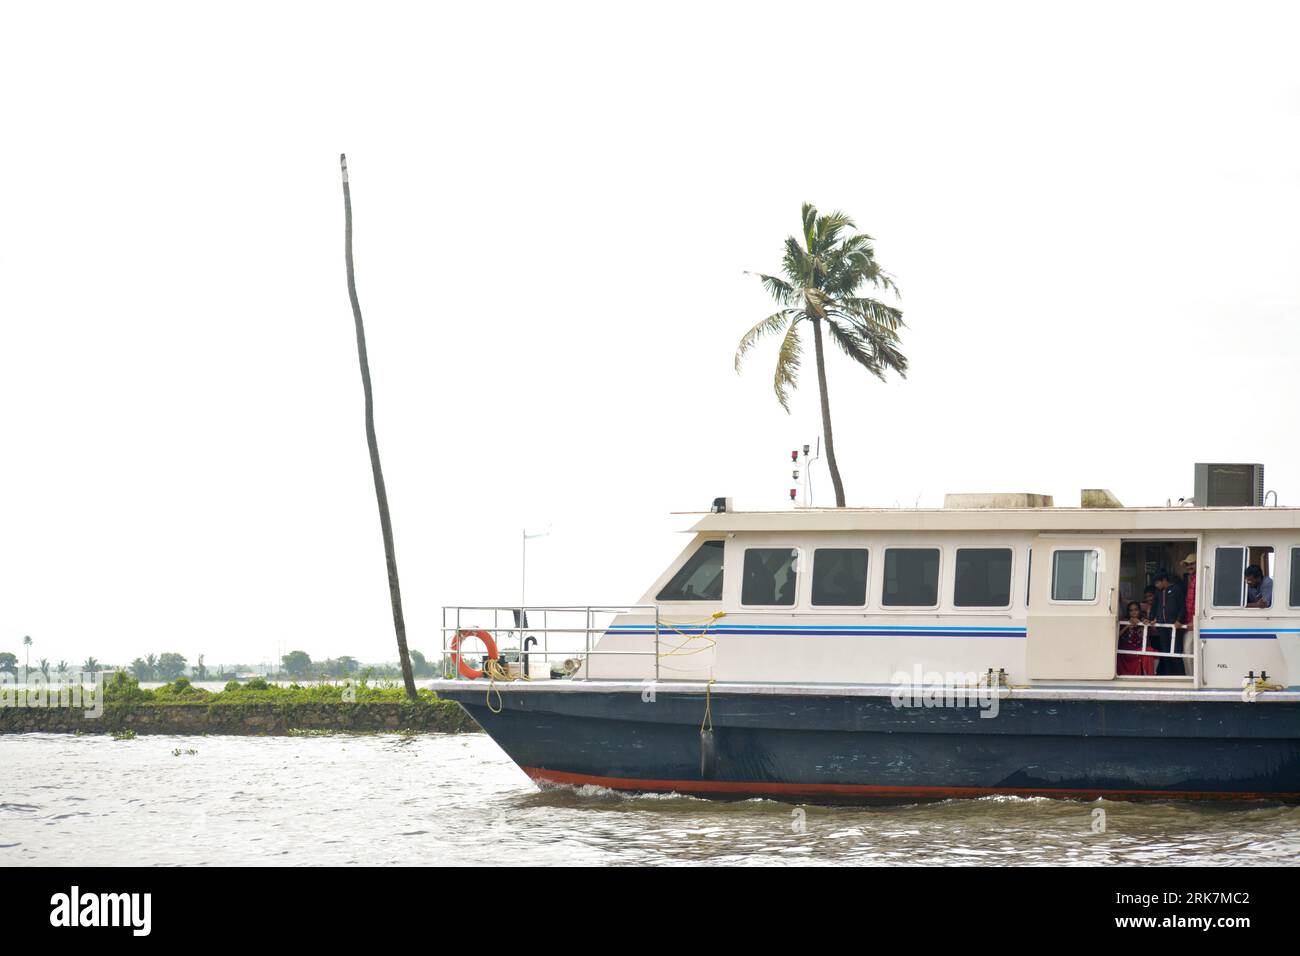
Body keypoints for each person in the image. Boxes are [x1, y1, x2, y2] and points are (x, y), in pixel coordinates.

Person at [1149, 569, 1185, 675]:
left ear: (1164, 580)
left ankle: (1180, 676)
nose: (1156, 585)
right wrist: (1152, 619)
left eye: (1157, 583)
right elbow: (1154, 608)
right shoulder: (1158, 593)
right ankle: (1169, 675)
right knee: (1165, 653)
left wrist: (1179, 620)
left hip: (1174, 627)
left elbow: (1182, 607)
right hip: (1162, 627)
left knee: (1176, 652)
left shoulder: (1176, 589)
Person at [1117, 601, 1156, 676]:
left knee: (1149, 650)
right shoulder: (1124, 621)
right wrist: (1127, 626)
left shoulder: (1144, 621)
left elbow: (1152, 633)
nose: (1133, 612)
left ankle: (1150, 676)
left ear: (1139, 611)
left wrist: (1143, 624)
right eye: (1131, 610)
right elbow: (1116, 636)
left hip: (1139, 649)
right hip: (1126, 650)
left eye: (1136, 610)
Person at [1181, 553, 1198, 631]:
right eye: (1187, 565)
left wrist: (1194, 621)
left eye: (1192, 564)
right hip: (1189, 621)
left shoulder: (1199, 579)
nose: (1189, 567)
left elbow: (1198, 602)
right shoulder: (1190, 579)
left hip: (1195, 622)